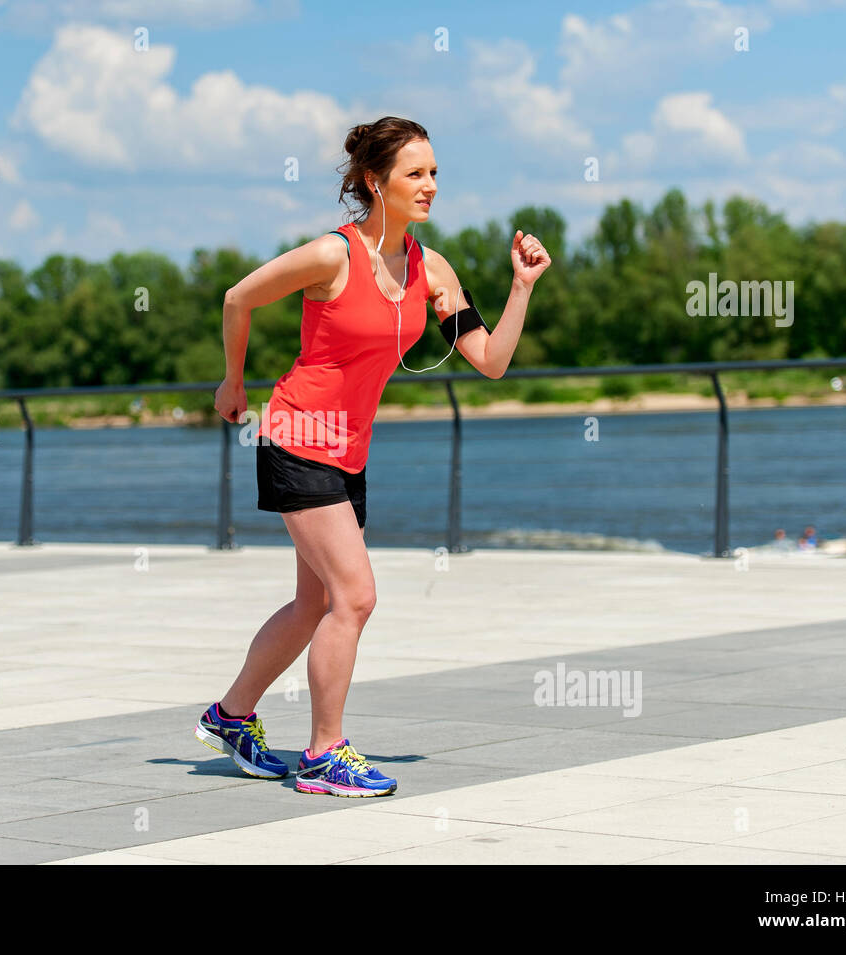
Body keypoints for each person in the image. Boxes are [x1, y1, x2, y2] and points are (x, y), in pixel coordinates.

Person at [199, 116, 552, 796]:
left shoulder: (431, 268)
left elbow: (492, 361)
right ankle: (325, 754)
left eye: (435, 174)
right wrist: (234, 381)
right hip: (297, 436)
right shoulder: (333, 256)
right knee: (355, 597)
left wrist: (521, 287)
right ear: (374, 181)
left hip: (347, 454)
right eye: (415, 174)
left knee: (315, 605)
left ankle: (231, 716)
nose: (430, 186)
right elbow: (237, 296)